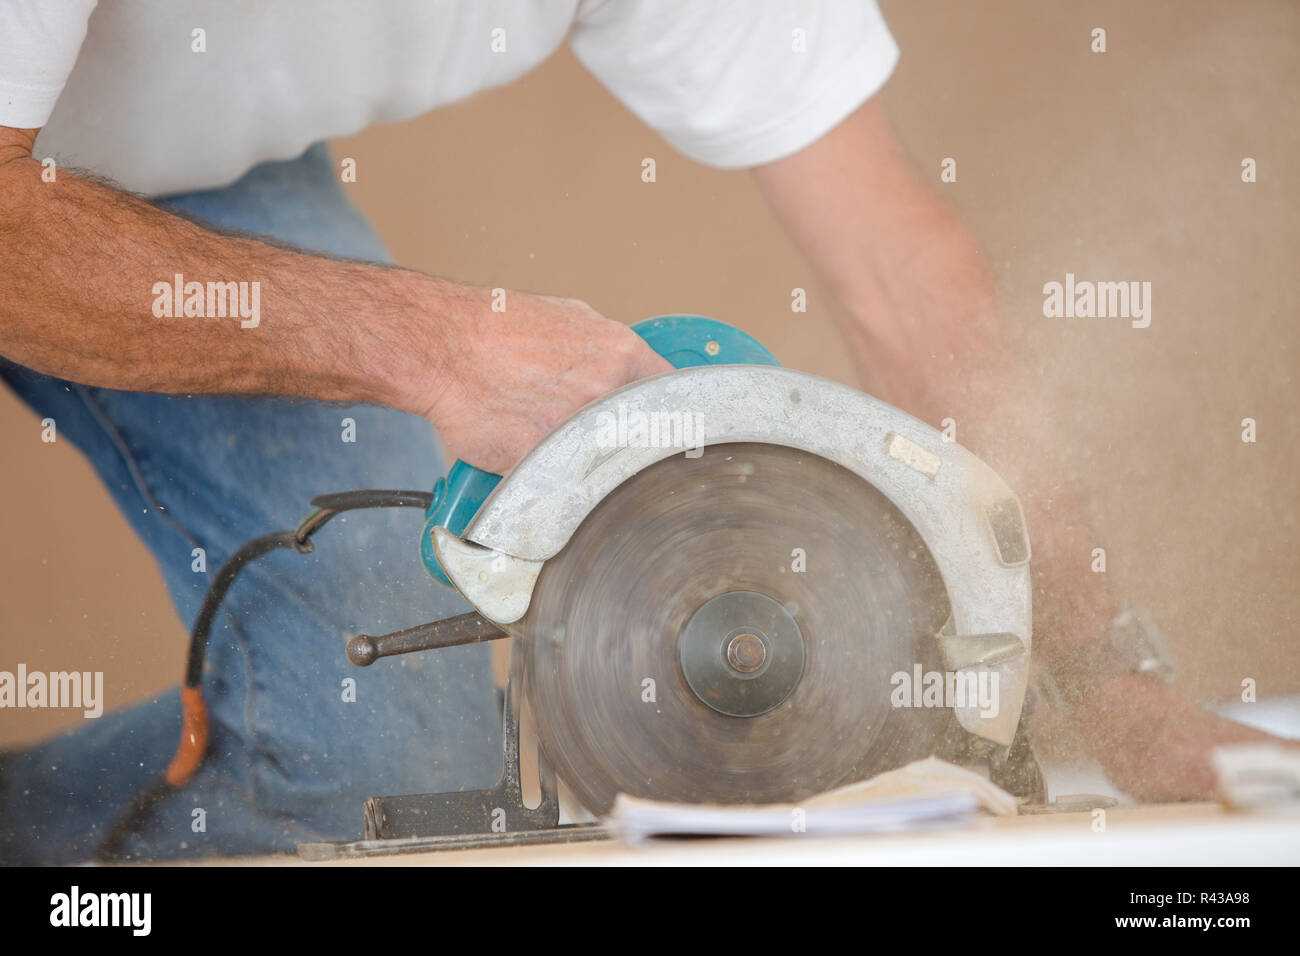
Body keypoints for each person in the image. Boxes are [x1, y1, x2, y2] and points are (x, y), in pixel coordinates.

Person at [0, 1, 1275, 862]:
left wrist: (1101, 672)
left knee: (375, 751)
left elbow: (897, 268)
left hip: (172, 169)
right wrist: (438, 344)